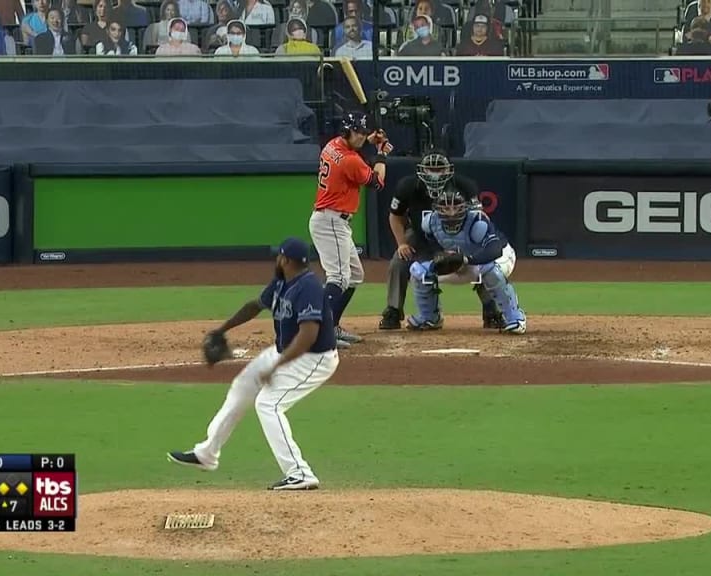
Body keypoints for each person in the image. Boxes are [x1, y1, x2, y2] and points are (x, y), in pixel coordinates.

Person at [167, 237, 340, 491]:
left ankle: (300, 473)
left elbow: (308, 335)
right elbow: (255, 306)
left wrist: (276, 366)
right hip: (285, 352)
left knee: (268, 404)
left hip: (314, 358)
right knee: (244, 385)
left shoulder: (308, 288)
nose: (276, 259)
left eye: (279, 256)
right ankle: (206, 453)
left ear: (286, 260)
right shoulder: (282, 282)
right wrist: (222, 329)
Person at [380, 151, 502, 331]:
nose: (434, 174)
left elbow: (478, 218)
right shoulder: (408, 186)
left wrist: (467, 248)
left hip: (458, 236)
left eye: (439, 169)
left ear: (449, 169)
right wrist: (402, 243)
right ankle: (393, 310)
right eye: (430, 169)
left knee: (482, 262)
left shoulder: (464, 185)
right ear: (421, 170)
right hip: (421, 236)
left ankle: (491, 308)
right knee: (398, 262)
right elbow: (395, 216)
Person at [309, 113, 391, 349]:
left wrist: (369, 142)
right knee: (339, 278)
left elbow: (354, 152)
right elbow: (377, 182)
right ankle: (320, 333)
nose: (362, 137)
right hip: (331, 221)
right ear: (346, 131)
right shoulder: (350, 160)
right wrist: (381, 154)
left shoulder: (332, 145)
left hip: (333, 220)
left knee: (354, 275)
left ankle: (332, 325)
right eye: (358, 132)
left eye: (364, 133)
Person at [405, 190, 527, 334]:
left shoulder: (477, 223)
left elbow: (494, 250)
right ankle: (429, 318)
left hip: (498, 257)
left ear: (465, 207)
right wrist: (441, 256)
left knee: (491, 271)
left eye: (456, 207)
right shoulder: (430, 223)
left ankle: (515, 318)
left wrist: (466, 259)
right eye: (445, 208)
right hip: (460, 262)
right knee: (418, 271)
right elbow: (429, 246)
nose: (451, 213)